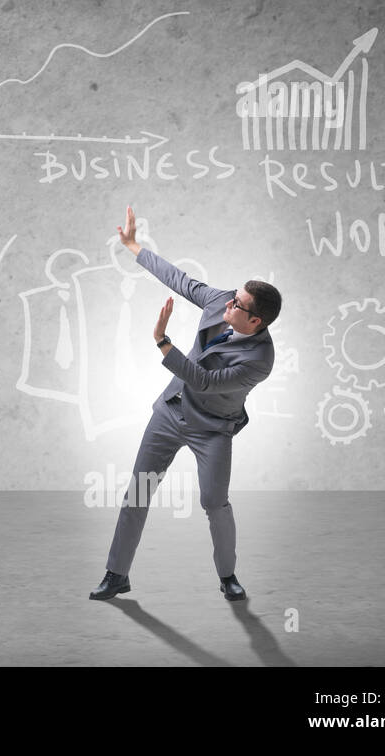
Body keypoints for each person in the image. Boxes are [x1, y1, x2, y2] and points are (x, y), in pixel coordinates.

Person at [90, 207, 280, 602]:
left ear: (256, 322)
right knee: (138, 493)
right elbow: (179, 279)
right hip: (170, 412)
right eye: (233, 297)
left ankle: (228, 576)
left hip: (211, 428)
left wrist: (163, 341)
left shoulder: (259, 360)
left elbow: (207, 382)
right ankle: (116, 573)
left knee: (214, 502)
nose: (229, 303)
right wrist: (133, 246)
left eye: (239, 305)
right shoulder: (223, 301)